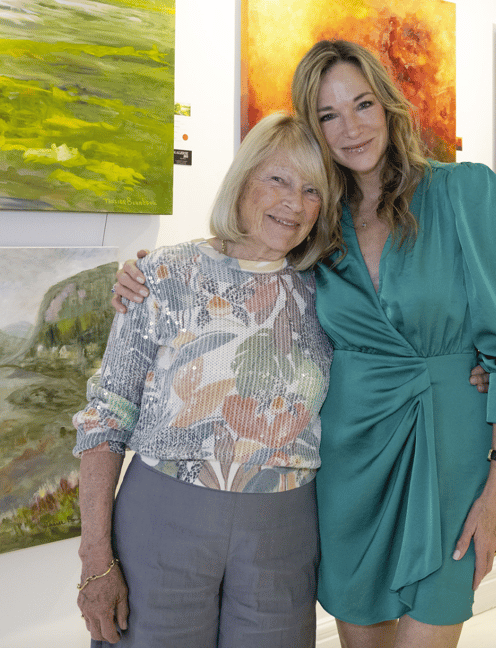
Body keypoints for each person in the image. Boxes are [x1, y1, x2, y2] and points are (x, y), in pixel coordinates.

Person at [114, 39, 496, 648]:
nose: (350, 129)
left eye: (363, 104)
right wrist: (149, 269)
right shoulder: (320, 222)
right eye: (327, 115)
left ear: (390, 106)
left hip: (451, 449)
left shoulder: (466, 192)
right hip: (350, 455)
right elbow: (245, 259)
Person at [75, 112, 339, 647]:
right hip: (163, 518)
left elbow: (399, 355)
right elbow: (106, 417)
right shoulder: (162, 276)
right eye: (278, 180)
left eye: (312, 190)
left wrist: (471, 369)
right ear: (242, 180)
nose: (294, 203)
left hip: (283, 529)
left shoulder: (331, 292)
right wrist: (95, 558)